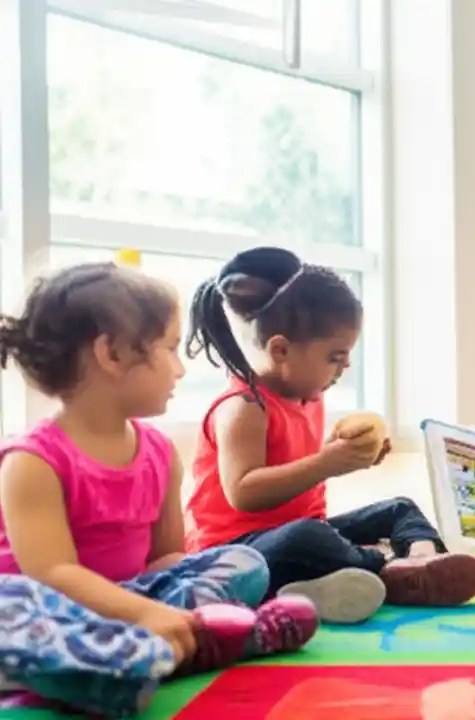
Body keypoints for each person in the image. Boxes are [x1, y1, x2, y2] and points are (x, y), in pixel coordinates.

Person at [0, 263, 316, 717]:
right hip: (54, 614)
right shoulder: (31, 462)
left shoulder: (160, 453)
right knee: (7, 605)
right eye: (169, 348)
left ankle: (152, 652)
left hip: (135, 601)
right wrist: (145, 614)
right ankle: (178, 647)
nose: (181, 369)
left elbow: (165, 559)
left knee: (243, 561)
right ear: (111, 354)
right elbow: (52, 573)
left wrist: (159, 605)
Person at [183, 247, 475, 625]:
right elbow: (244, 492)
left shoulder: (309, 394)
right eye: (335, 357)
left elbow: (298, 468)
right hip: (235, 553)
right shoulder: (243, 406)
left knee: (399, 508)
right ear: (280, 350)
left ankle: (420, 561)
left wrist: (350, 454)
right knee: (308, 540)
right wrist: (326, 464)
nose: (344, 368)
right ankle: (386, 568)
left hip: (306, 531)